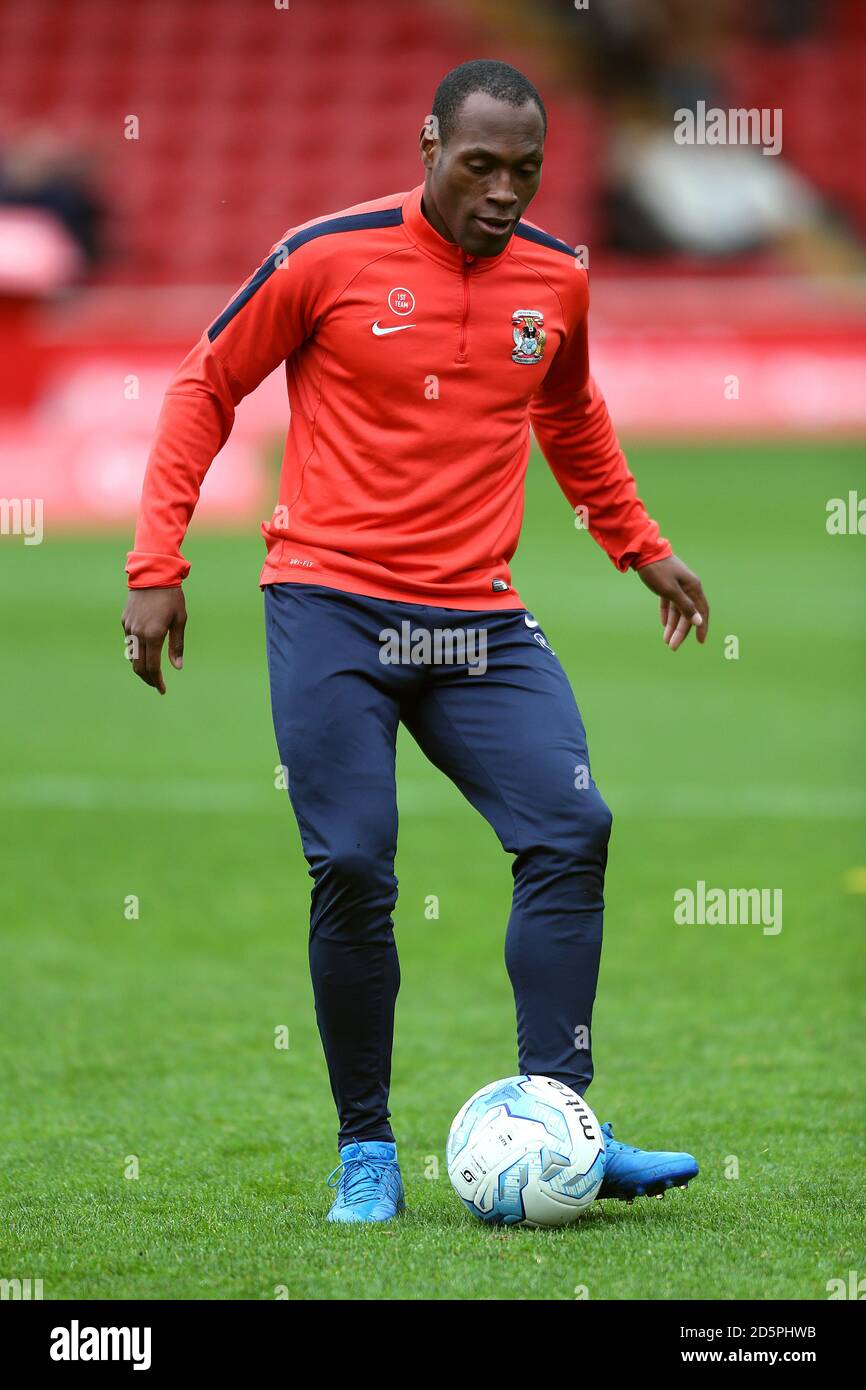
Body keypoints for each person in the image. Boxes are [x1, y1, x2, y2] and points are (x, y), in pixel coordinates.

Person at [123, 59, 707, 1223]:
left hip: (475, 618)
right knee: (351, 862)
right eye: (478, 164)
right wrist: (157, 564)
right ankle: (366, 1150)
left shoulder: (557, 280)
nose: (502, 190)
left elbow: (569, 412)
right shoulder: (323, 256)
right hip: (329, 602)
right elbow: (205, 385)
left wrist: (637, 544)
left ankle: (563, 1119)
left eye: (525, 171)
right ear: (427, 143)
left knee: (569, 824)